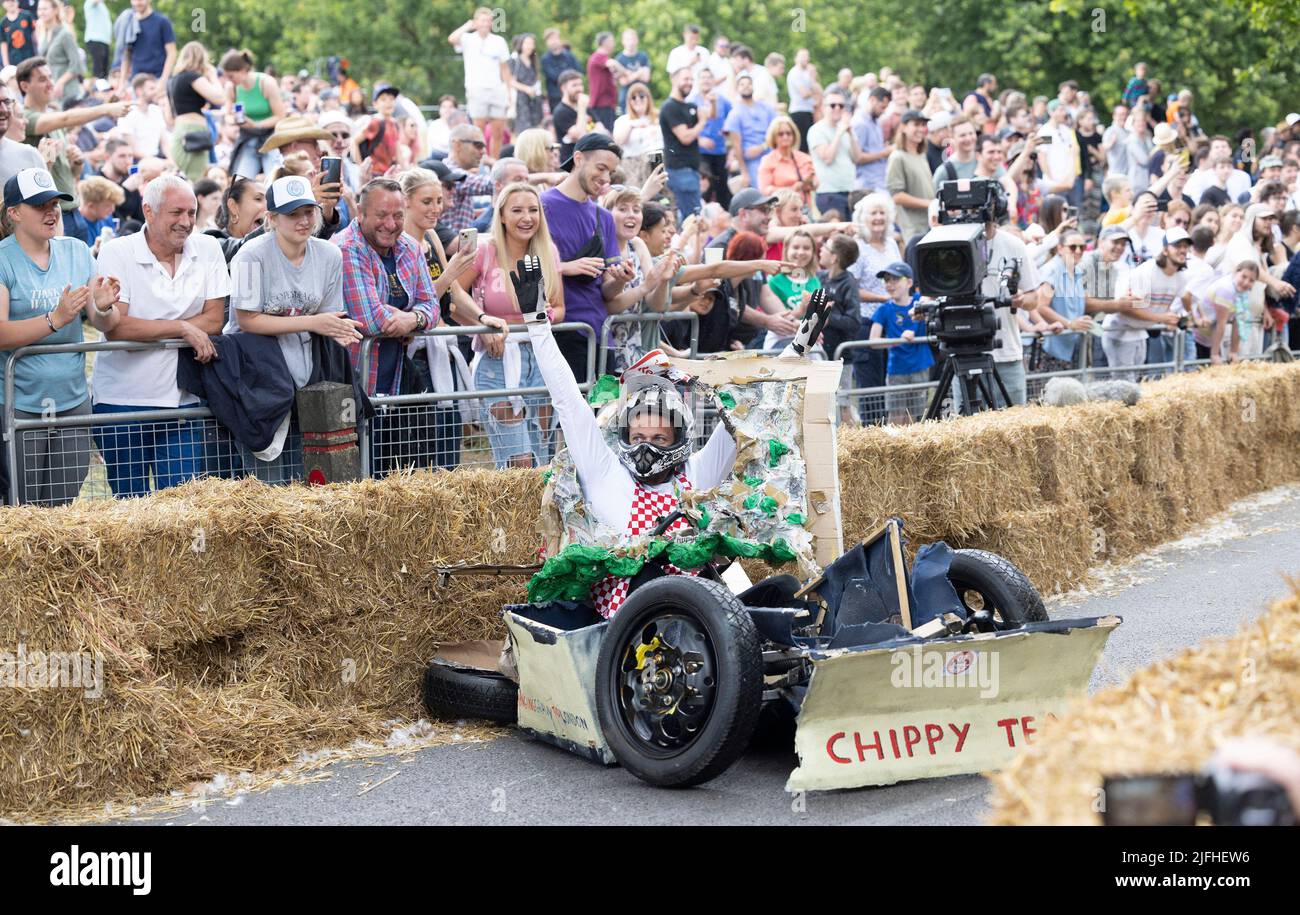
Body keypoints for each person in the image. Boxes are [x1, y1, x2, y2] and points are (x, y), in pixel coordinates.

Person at [517, 251, 738, 618]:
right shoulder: (603, 470)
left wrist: (798, 350)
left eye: (659, 439)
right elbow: (568, 401)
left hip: (701, 612)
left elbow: (740, 423)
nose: (646, 448)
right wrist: (537, 324)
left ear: (679, 440)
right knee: (649, 573)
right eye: (638, 438)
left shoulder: (697, 475)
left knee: (779, 590)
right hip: (629, 624)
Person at [92, 174, 229, 497]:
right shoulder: (117, 251)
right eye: (176, 212)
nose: (186, 222)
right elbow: (118, 327)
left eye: (191, 213)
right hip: (123, 401)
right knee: (129, 505)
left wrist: (152, 327)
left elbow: (215, 318)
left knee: (180, 504)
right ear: (149, 211)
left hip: (184, 399)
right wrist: (183, 328)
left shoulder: (208, 247)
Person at [223, 174, 361, 482]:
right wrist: (315, 322)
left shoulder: (329, 254)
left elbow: (329, 313)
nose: (303, 220)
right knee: (269, 481)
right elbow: (245, 319)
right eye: (292, 214)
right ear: (272, 218)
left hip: (308, 375)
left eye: (308, 211)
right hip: (258, 375)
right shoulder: (250, 254)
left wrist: (337, 328)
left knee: (313, 473)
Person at [0, 166, 120, 504]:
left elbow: (104, 322)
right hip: (18, 404)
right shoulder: (3, 259)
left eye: (55, 204)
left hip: (72, 400)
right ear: (14, 213)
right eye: (40, 206)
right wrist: (56, 318)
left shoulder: (77, 251)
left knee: (62, 509)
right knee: (21, 509)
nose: (51, 212)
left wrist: (105, 306)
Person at [450, 180, 561, 468]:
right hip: (498, 363)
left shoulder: (548, 251)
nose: (527, 218)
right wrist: (483, 324)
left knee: (542, 458)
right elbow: (454, 295)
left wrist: (546, 316)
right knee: (518, 462)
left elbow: (560, 309)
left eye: (533, 210)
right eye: (517, 210)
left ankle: (541, 515)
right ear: (501, 215)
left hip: (540, 360)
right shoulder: (485, 251)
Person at [540, 132, 633, 383]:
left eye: (610, 173)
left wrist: (621, 279)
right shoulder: (540, 206)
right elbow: (518, 265)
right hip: (561, 332)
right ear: (578, 159)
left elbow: (607, 291)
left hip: (601, 336)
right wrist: (565, 267)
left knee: (604, 417)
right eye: (601, 168)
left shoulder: (604, 217)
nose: (604, 178)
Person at [1103, 228, 1192, 377]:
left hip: (1139, 333)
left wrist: (1183, 317)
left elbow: (1184, 297)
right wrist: (1161, 319)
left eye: (1185, 247)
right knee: (1125, 385)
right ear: (1165, 250)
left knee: (1135, 383)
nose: (1183, 250)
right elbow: (1127, 308)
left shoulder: (1180, 277)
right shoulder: (1147, 272)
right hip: (1120, 330)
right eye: (1177, 246)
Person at [869, 262, 932, 423]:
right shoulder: (884, 309)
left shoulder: (920, 302)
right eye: (887, 280)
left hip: (920, 365)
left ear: (909, 282)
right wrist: (897, 341)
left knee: (915, 417)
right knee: (896, 416)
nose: (890, 284)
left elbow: (931, 296)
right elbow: (873, 341)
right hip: (897, 369)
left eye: (895, 279)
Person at [448, 7, 509, 160]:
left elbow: (504, 69)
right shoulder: (468, 38)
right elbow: (452, 39)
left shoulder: (498, 41)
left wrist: (508, 91)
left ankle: (494, 161)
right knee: (478, 129)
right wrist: (468, 26)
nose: (486, 24)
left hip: (496, 88)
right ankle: (480, 161)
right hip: (477, 87)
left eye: (488, 21)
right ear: (476, 22)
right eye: (482, 20)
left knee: (498, 130)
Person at [222, 49, 285, 179]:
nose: (228, 80)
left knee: (273, 180)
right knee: (240, 182)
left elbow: (280, 116)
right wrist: (233, 119)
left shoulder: (266, 82)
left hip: (270, 139)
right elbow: (227, 114)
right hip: (247, 139)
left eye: (231, 76)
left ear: (243, 70)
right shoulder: (231, 87)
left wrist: (256, 124)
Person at [166, 41, 224, 181]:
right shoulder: (192, 77)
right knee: (195, 179)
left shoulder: (172, 80)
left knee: (181, 179)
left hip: (178, 131)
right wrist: (213, 77)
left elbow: (169, 117)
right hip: (194, 131)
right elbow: (219, 98)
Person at [807, 89, 861, 219]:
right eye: (832, 105)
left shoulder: (845, 129)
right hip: (829, 193)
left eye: (841, 105)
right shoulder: (817, 130)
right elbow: (827, 158)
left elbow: (857, 158)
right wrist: (839, 133)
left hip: (849, 191)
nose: (837, 108)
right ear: (823, 108)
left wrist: (850, 134)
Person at [762, 228, 819, 351]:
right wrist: (801, 310)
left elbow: (819, 320)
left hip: (809, 343)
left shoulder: (814, 280)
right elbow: (777, 320)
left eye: (806, 248)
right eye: (796, 247)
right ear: (787, 249)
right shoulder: (774, 280)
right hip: (781, 342)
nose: (801, 252)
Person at [659, 66, 704, 220]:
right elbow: (685, 137)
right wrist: (702, 123)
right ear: (674, 79)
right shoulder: (670, 107)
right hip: (680, 170)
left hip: (692, 170)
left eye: (692, 79)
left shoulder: (689, 106)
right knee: (692, 219)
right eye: (685, 79)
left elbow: (711, 114)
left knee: (694, 216)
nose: (689, 83)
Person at [437, 123, 494, 233]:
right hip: (451, 246)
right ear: (457, 145)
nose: (483, 151)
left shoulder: (455, 171)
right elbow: (492, 185)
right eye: (478, 145)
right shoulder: (449, 172)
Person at [886, 109, 933, 242]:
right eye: (916, 125)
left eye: (923, 125)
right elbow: (897, 196)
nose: (921, 129)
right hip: (913, 229)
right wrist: (929, 204)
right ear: (903, 127)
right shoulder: (897, 157)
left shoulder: (921, 155)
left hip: (929, 223)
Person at [724, 73, 776, 193]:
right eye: (742, 84)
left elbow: (776, 130)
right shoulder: (735, 114)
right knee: (762, 193)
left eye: (749, 84)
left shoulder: (766, 108)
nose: (746, 86)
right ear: (737, 89)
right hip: (752, 162)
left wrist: (764, 146)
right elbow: (736, 145)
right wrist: (744, 173)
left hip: (771, 155)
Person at [758, 115, 817, 209]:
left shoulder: (804, 158)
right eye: (781, 134)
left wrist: (810, 183)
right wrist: (791, 189)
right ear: (774, 137)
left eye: (789, 133)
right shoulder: (767, 161)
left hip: (804, 208)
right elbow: (765, 190)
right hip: (780, 210)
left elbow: (815, 184)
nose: (785, 137)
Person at [613, 81, 663, 188]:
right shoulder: (624, 120)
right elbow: (618, 141)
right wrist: (632, 126)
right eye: (633, 97)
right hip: (632, 164)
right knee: (636, 193)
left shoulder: (658, 117)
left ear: (648, 98)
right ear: (629, 101)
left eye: (641, 96)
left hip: (656, 160)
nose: (638, 100)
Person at [34, 0, 81, 109]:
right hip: (51, 91)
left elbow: (76, 65)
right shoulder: (42, 33)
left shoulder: (65, 33)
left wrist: (60, 82)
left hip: (67, 90)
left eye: (45, 9)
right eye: (39, 9)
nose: (41, 12)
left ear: (55, 10)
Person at [119, 0, 174, 83]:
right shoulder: (129, 24)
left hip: (158, 78)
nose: (138, 2)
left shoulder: (162, 21)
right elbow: (126, 56)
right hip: (136, 81)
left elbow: (171, 53)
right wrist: (122, 83)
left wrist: (163, 81)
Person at [0, 82, 43, 186]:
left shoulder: (30, 155)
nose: (3, 109)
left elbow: (48, 202)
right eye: (19, 116)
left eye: (7, 102)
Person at [852, 86, 893, 194]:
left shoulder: (876, 122)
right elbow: (857, 157)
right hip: (868, 183)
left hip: (880, 179)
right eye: (882, 107)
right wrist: (884, 153)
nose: (883, 111)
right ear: (872, 100)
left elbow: (874, 149)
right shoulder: (859, 123)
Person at [61, 173, 119, 246]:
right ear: (91, 206)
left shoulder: (106, 218)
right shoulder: (75, 227)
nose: (112, 210)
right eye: (107, 206)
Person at [585, 31, 624, 133]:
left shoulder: (603, 60)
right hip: (601, 104)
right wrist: (626, 72)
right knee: (605, 135)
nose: (614, 44)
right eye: (612, 41)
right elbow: (613, 64)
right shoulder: (598, 57)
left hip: (607, 104)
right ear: (605, 42)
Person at [507, 33, 543, 134]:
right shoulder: (515, 60)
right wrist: (526, 89)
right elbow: (510, 81)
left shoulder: (533, 61)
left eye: (532, 43)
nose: (530, 46)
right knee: (522, 130)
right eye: (527, 43)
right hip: (520, 100)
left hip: (534, 100)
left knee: (535, 128)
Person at [550, 69, 588, 166]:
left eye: (580, 84)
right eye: (574, 85)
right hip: (571, 163)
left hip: (588, 159)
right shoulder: (561, 112)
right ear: (563, 88)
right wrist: (582, 108)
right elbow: (581, 136)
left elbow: (602, 130)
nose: (579, 89)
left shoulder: (584, 106)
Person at [540, 27, 581, 113]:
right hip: (555, 97)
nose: (553, 41)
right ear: (546, 42)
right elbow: (554, 77)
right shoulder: (545, 59)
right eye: (550, 39)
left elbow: (578, 71)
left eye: (555, 38)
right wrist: (569, 75)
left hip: (572, 95)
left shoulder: (569, 56)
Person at [1, 0, 35, 69]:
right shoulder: (3, 23)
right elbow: (3, 44)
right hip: (14, 61)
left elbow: (35, 35)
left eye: (13, 1)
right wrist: (6, 65)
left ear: (17, 2)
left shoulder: (27, 15)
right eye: (7, 1)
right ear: (3, 4)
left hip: (30, 58)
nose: (10, 3)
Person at [82, 0, 110, 78]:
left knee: (104, 71)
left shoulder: (103, 6)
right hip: (95, 39)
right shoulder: (90, 2)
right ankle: (95, 88)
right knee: (98, 69)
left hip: (104, 40)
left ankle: (103, 88)